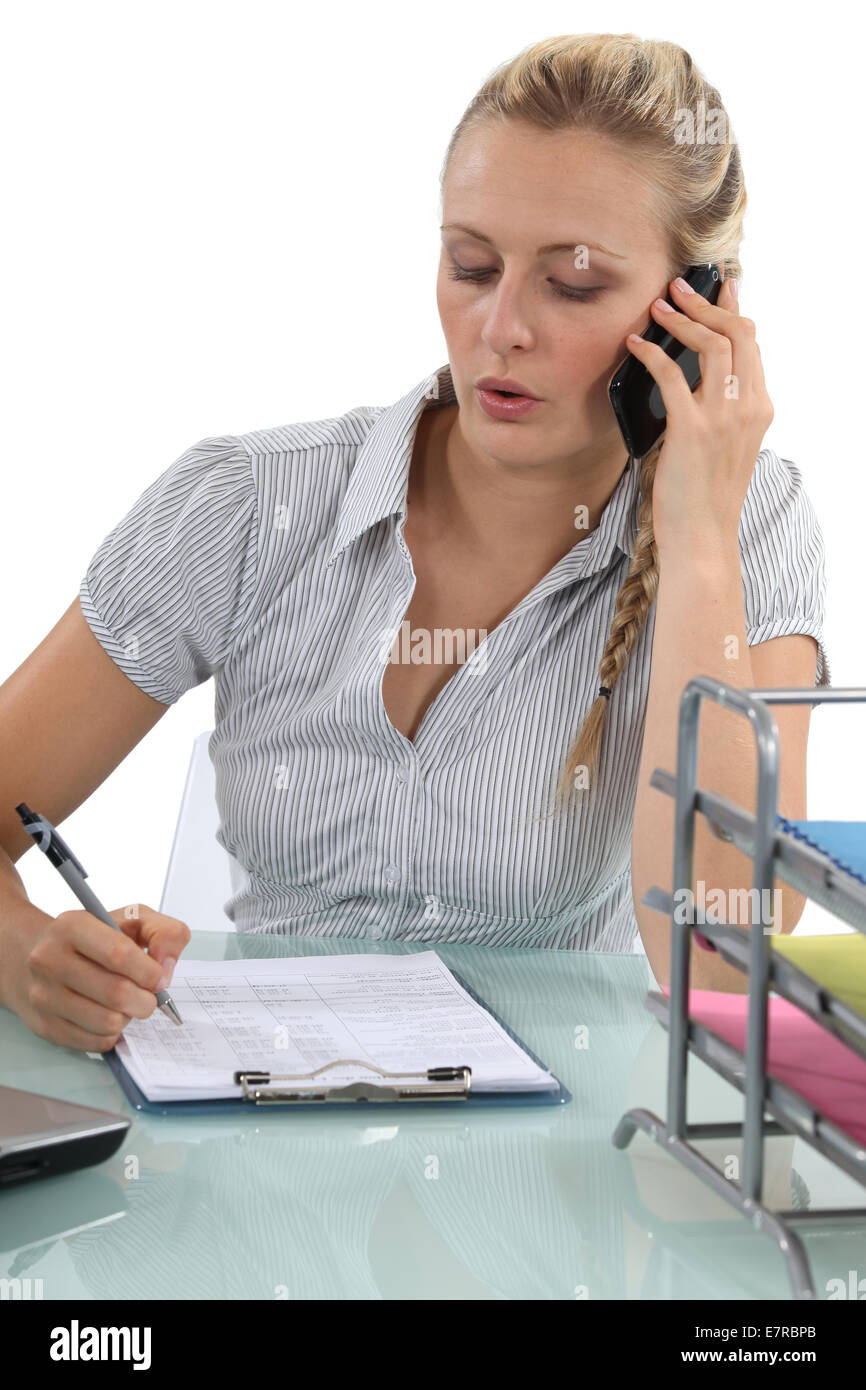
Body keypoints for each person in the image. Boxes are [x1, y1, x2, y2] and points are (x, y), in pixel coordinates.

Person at [0, 33, 829, 1053]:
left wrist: (697, 543)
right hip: (255, 1142)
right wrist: (23, 947)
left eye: (570, 286)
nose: (499, 326)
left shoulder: (752, 526)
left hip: (553, 1171)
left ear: (694, 313)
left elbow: (715, 972)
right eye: (470, 264)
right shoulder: (248, 504)